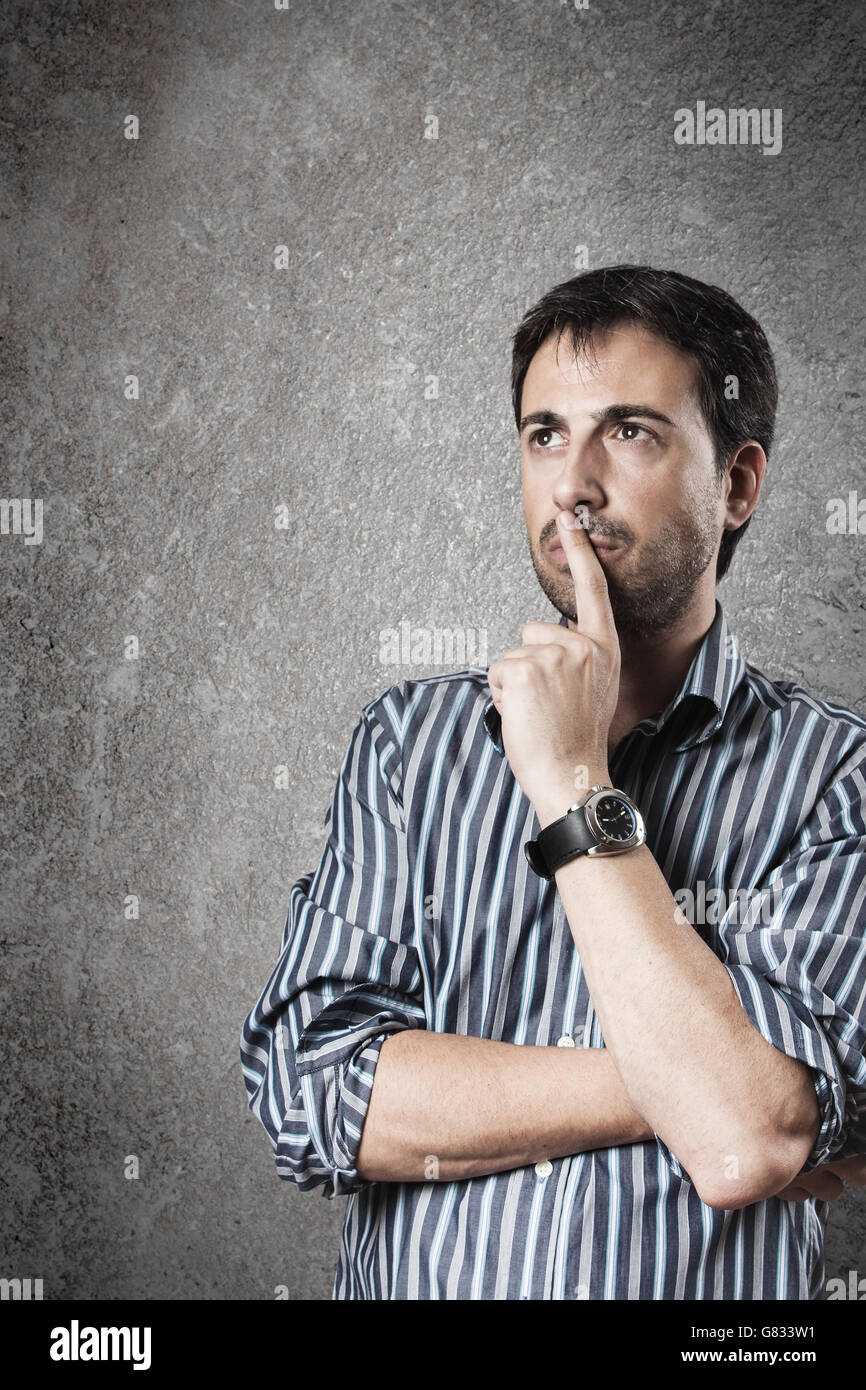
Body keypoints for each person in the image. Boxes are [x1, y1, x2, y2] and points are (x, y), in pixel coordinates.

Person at [240, 265, 866, 1299]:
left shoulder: (837, 777)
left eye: (628, 431)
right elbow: (311, 1100)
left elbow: (744, 1142)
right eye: (542, 435)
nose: (572, 481)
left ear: (738, 483)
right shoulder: (407, 746)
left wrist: (573, 782)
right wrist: (698, 1088)